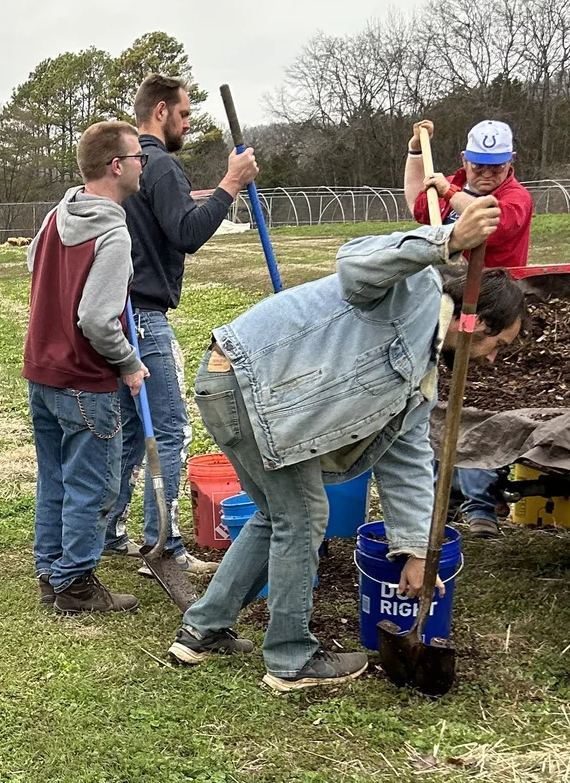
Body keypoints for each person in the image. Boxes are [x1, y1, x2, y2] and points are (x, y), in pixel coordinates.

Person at [168, 197, 524, 692]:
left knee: (278, 515)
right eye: (497, 345)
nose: (490, 359)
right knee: (303, 517)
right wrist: (447, 240)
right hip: (248, 385)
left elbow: (409, 463)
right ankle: (290, 659)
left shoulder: (420, 380)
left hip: (233, 384)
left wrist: (416, 550)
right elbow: (354, 261)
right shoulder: (413, 287)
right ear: (476, 320)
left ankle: (201, 630)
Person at [106, 72, 261, 575]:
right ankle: (164, 547)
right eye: (186, 113)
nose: (189, 123)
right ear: (160, 112)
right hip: (146, 318)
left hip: (119, 315)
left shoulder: (122, 170)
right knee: (169, 427)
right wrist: (229, 185)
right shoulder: (161, 165)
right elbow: (187, 232)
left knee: (132, 430)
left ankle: (110, 532)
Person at [23, 121, 150, 616]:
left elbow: (34, 262)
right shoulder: (113, 231)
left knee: (54, 475)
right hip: (84, 380)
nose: (143, 164)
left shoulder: (60, 212)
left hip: (43, 370)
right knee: (93, 484)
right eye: (138, 156)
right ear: (116, 166)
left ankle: (51, 573)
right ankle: (75, 583)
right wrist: (130, 362)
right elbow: (96, 318)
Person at [405, 118, 534, 536]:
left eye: (495, 167)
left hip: (493, 315)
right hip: (449, 308)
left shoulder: (515, 198)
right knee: (435, 398)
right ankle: (443, 494)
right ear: (465, 158)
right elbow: (419, 208)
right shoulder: (454, 184)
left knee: (479, 405)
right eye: (479, 165)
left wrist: (450, 192)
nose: (486, 174)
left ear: (510, 162)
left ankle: (479, 504)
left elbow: (488, 221)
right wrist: (414, 154)